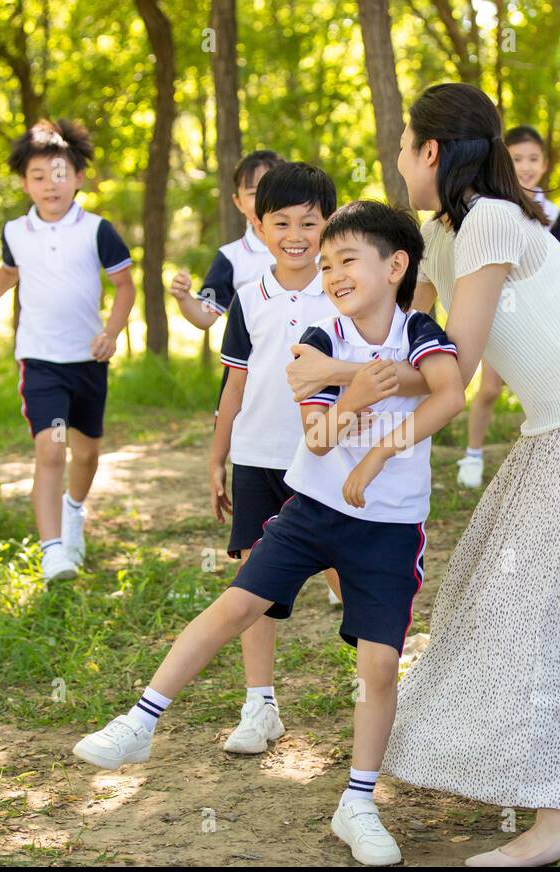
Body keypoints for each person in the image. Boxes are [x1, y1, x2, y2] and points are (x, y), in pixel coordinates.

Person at [289, 83, 560, 866]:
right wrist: (334, 359)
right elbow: (404, 329)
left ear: (432, 152)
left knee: (558, 605)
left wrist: (352, 393)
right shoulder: (447, 229)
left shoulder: (492, 219)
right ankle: (546, 797)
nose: (397, 160)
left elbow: (447, 368)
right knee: (493, 587)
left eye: (403, 147)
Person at [72, 200, 465, 866]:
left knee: (377, 665)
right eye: (327, 261)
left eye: (347, 259)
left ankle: (358, 801)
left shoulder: (420, 328)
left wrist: (376, 453)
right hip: (311, 509)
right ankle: (141, 721)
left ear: (396, 266)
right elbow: (316, 435)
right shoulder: (320, 336)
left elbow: (448, 394)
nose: (332, 270)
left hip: (390, 526)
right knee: (235, 606)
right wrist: (353, 401)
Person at [210, 161, 343, 755]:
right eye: (280, 221)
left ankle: (388, 693)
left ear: (329, 225)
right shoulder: (247, 297)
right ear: (259, 226)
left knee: (349, 572)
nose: (294, 234)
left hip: (323, 458)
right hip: (257, 457)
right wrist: (218, 456)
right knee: (252, 582)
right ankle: (259, 704)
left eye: (308, 222)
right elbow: (234, 387)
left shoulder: (344, 294)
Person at [0, 119, 135, 585]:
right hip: (40, 360)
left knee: (86, 454)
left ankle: (74, 513)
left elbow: (124, 286)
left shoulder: (99, 230)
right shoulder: (16, 231)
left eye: (59, 174)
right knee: (52, 449)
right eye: (38, 176)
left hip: (88, 360)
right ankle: (51, 550)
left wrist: (112, 332)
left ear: (78, 177)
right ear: (25, 183)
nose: (49, 184)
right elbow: (8, 273)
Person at [454, 123, 560, 490]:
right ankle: (472, 455)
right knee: (489, 387)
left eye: (534, 158)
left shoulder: (551, 212)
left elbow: (557, 264)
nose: (527, 165)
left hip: (540, 312)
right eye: (517, 158)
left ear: (545, 164)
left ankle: (546, 464)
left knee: (544, 389)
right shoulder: (495, 206)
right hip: (501, 307)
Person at [168, 149, 282, 431]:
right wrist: (184, 298)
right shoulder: (231, 258)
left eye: (273, 187)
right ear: (238, 202)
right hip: (248, 377)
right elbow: (205, 316)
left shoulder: (315, 252)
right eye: (255, 192)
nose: (265, 199)